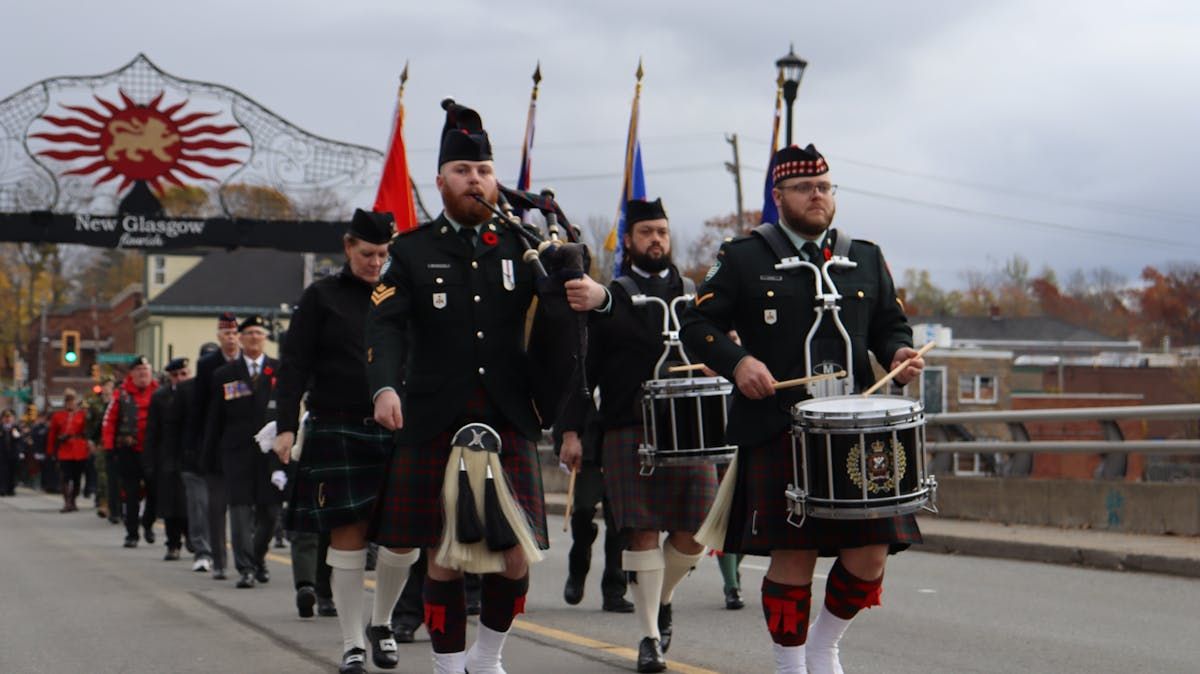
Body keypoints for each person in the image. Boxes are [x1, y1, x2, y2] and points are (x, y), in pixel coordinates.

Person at [366, 99, 601, 674]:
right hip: (433, 416)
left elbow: (564, 330)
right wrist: (384, 388)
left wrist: (585, 287)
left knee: (516, 556)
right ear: (440, 180)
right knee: (444, 556)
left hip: (507, 412)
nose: (475, 180)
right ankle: (449, 667)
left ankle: (487, 656)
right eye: (463, 170)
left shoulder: (526, 248)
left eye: (484, 170)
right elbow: (384, 325)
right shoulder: (412, 250)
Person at [680, 144, 925, 674]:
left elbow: (890, 326)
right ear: (779, 196)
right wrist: (739, 363)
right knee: (794, 556)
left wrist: (898, 354)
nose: (817, 195)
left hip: (858, 431)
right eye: (804, 188)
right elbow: (695, 326)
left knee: (871, 556)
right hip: (780, 427)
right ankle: (791, 665)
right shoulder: (744, 257)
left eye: (824, 187)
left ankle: (824, 645)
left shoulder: (865, 256)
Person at [560, 198, 717, 672]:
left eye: (662, 232)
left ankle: (661, 598)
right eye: (647, 232)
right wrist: (572, 431)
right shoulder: (610, 296)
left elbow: (716, 345)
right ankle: (649, 635)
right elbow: (583, 370)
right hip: (628, 427)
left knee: (697, 533)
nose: (656, 240)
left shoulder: (692, 295)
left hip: (690, 429)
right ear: (629, 240)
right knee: (642, 532)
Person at [274, 207, 417, 673]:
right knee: (348, 539)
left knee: (404, 540)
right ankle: (353, 643)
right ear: (348, 247)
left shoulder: (403, 294)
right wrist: (285, 425)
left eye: (383, 254)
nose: (375, 262)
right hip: (338, 424)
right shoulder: (321, 297)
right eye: (367, 253)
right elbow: (294, 364)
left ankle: (382, 622)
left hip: (399, 428)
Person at [203, 315, 284, 589]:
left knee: (270, 512)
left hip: (270, 453)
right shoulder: (225, 374)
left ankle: (258, 556)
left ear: (265, 337)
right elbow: (214, 418)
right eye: (248, 333)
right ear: (240, 338)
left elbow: (288, 409)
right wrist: (208, 456)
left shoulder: (279, 370)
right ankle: (246, 568)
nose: (253, 338)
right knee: (239, 510)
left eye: (258, 333)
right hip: (236, 453)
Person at [557, 423, 632, 614]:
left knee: (619, 522)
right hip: (588, 447)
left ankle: (614, 591)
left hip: (622, 444)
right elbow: (568, 408)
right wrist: (569, 438)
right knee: (582, 513)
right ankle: (577, 571)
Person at [191, 313, 242, 580]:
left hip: (244, 444)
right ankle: (220, 560)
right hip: (217, 443)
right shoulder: (208, 365)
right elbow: (199, 407)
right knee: (216, 506)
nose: (230, 338)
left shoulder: (248, 363)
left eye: (234, 333)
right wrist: (200, 444)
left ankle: (249, 559)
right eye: (226, 334)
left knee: (245, 507)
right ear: (219, 337)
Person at [101, 357, 161, 548]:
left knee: (155, 492)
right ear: (132, 374)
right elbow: (109, 422)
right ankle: (132, 533)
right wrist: (109, 447)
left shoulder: (159, 392)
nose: (143, 373)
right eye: (139, 370)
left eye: (145, 369)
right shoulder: (121, 394)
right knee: (131, 494)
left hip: (153, 451)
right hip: (129, 451)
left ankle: (148, 523)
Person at [145, 358, 192, 561]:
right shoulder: (160, 397)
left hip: (191, 454)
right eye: (175, 375)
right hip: (168, 455)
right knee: (171, 503)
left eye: (183, 374)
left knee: (191, 501)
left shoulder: (197, 393)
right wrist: (149, 461)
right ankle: (173, 544)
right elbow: (152, 431)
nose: (179, 378)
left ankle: (192, 536)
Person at [47, 388, 90, 513]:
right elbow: (52, 434)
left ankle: (73, 500)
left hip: (79, 449)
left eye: (72, 401)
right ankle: (67, 502)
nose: (70, 404)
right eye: (68, 401)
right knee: (65, 477)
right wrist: (50, 451)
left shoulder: (82, 415)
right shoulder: (58, 416)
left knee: (77, 478)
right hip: (64, 450)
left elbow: (88, 431)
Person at [85, 377, 117, 520]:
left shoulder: (118, 402)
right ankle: (104, 503)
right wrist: (91, 441)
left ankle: (115, 504)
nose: (108, 388)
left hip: (116, 443)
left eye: (110, 386)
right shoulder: (96, 404)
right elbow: (90, 425)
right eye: (106, 385)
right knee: (103, 474)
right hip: (101, 443)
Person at [1, 409, 21, 496]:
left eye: (9, 417)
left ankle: (10, 489)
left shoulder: (16, 428)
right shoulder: (1, 428)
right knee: (2, 472)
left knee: (12, 472)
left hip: (13, 454)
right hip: (2, 454)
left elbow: (19, 439)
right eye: (5, 417)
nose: (7, 419)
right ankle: (2, 489)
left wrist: (21, 452)